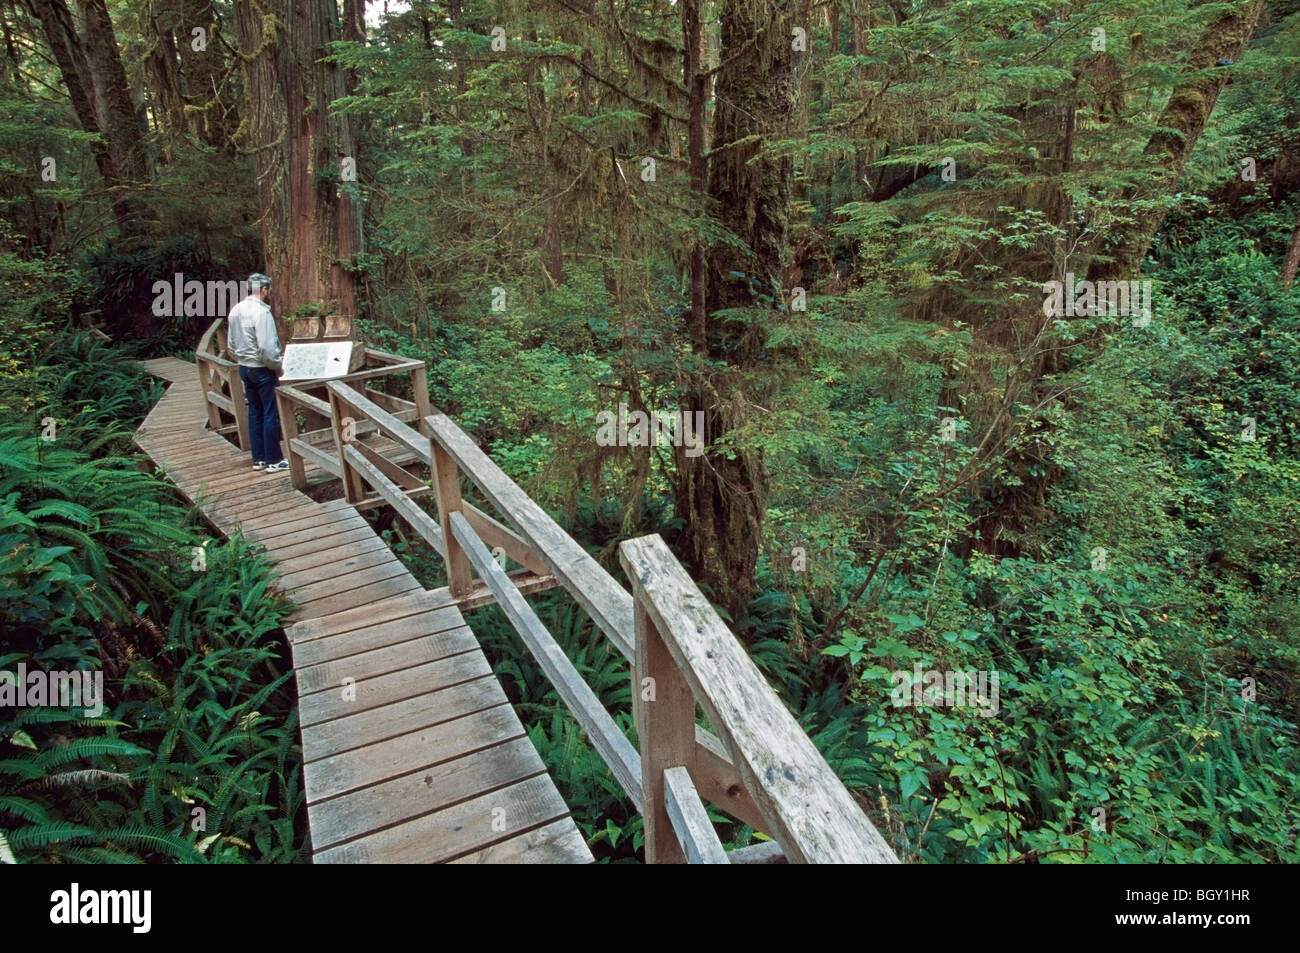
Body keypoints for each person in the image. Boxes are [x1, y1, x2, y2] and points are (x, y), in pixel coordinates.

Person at [227, 273, 289, 472]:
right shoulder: (261, 313)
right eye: (269, 289)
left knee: (255, 412)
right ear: (263, 290)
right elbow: (266, 348)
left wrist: (242, 360)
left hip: (244, 368)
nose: (269, 293)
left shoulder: (236, 310)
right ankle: (274, 460)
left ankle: (259, 458)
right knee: (271, 413)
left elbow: (230, 344)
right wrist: (278, 368)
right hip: (262, 369)